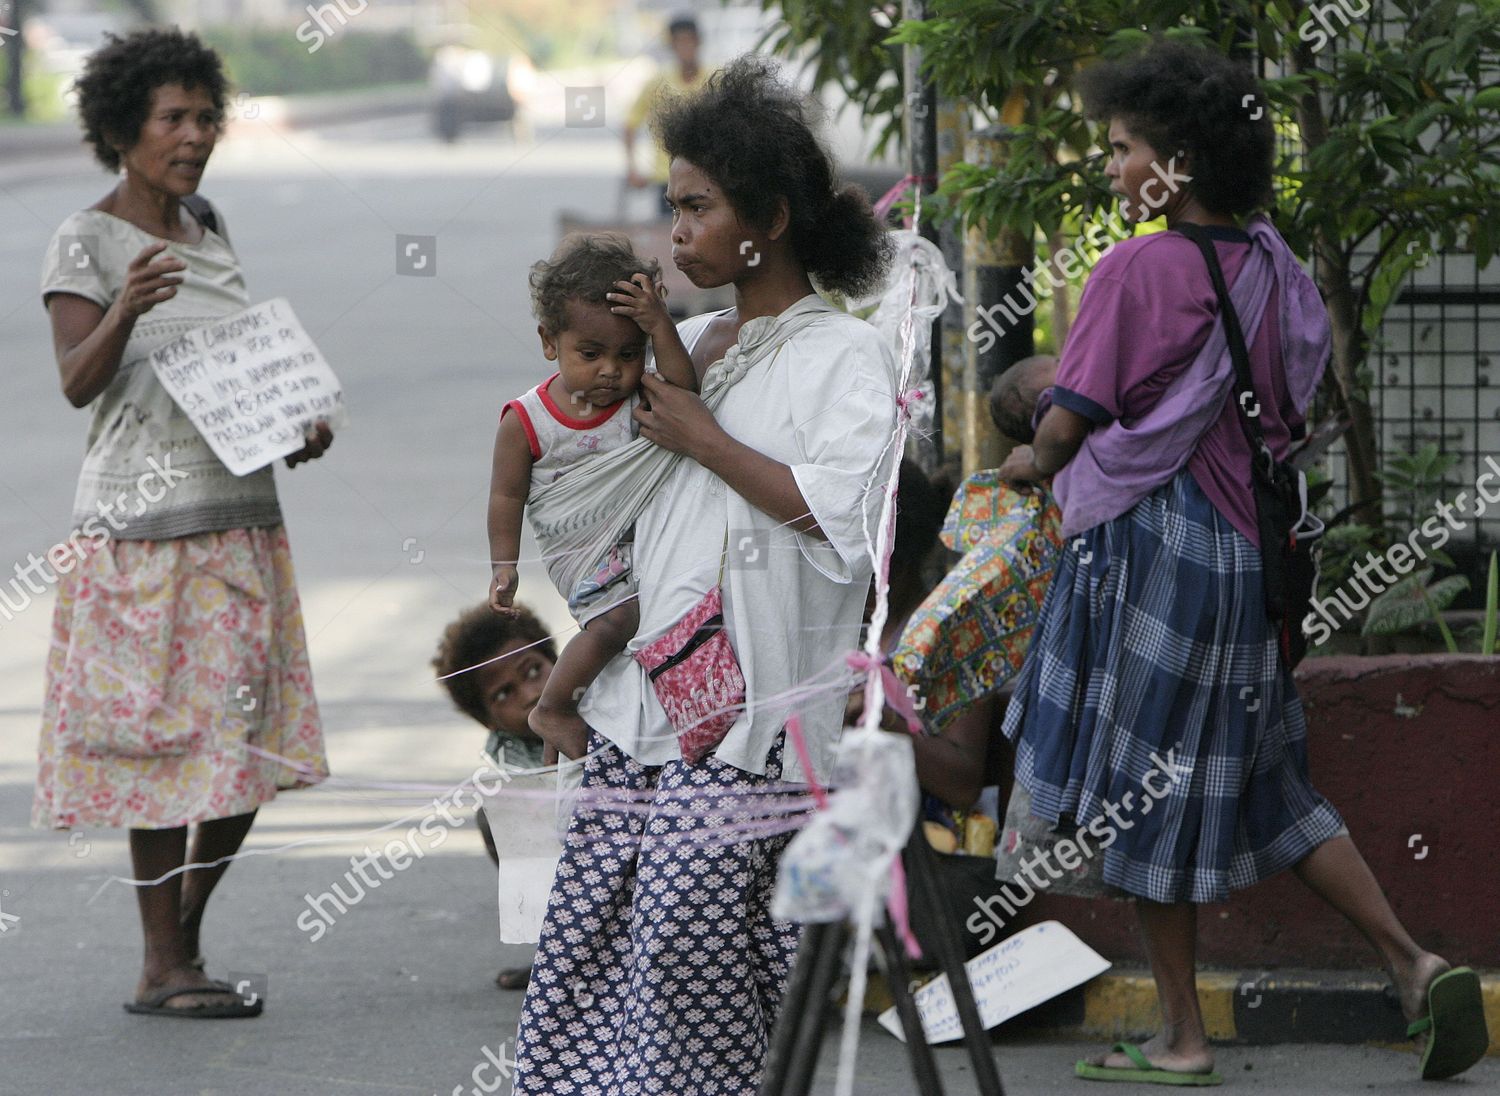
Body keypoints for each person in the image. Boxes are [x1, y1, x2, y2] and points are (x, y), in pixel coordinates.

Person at [997, 40, 1488, 1084]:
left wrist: (1027, 453)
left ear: (1177, 163)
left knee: (1139, 787)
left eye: (1126, 150)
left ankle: (1179, 1038)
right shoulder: (1276, 268)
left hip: (1155, 557)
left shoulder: (1140, 267)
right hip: (1250, 560)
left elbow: (1069, 428)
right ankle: (1413, 963)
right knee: (1269, 783)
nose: (1117, 170)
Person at [511, 57, 897, 1093]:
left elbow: (844, 518)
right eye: (671, 205)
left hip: (750, 731)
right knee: (595, 967)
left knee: (696, 973)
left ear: (764, 218)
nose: (674, 230)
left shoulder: (842, 359)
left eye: (695, 206)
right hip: (650, 714)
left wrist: (705, 437)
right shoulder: (696, 344)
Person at [33, 28, 333, 1018]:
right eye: (174, 118)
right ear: (124, 128)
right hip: (138, 530)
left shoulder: (210, 225)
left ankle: (182, 937)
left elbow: (238, 366)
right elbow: (78, 383)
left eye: (206, 116)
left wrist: (293, 421)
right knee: (158, 750)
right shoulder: (87, 240)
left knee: (244, 744)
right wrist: (124, 306)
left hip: (240, 517)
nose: (196, 135)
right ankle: (164, 960)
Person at [487, 232, 699, 756]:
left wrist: (660, 325)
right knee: (617, 620)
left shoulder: (638, 397)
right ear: (548, 343)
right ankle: (554, 707)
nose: (611, 370)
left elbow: (686, 390)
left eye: (629, 353)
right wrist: (504, 564)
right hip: (581, 552)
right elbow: (506, 497)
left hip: (639, 540)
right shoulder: (526, 420)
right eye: (590, 353)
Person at [432, 601, 557, 991]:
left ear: (557, 658)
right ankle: (557, 954)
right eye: (505, 694)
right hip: (572, 874)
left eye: (534, 671)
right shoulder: (510, 763)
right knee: (497, 813)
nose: (530, 694)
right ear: (489, 720)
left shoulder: (602, 702)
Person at [623, 14, 713, 216]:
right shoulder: (657, 83)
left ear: (698, 42)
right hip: (667, 180)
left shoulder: (716, 79)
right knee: (672, 239)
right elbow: (630, 124)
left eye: (689, 41)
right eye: (679, 42)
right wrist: (632, 168)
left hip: (709, 178)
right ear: (671, 46)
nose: (685, 48)